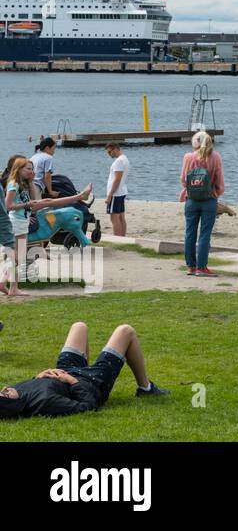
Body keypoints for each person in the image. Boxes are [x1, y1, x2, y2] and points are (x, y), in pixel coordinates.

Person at [0, 321, 168, 419]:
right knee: (126, 331)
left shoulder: (18, 392)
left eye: (2, 390)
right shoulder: (46, 402)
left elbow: (35, 388)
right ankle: (145, 388)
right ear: (12, 405)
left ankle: (82, 366)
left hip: (66, 370)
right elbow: (87, 406)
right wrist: (71, 381)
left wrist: (39, 377)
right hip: (92, 382)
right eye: (5, 394)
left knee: (79, 326)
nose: (6, 388)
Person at [2, 155, 93, 296]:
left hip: (23, 221)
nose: (31, 171)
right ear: (18, 169)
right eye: (28, 169)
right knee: (18, 257)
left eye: (32, 169)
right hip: (17, 224)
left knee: (48, 201)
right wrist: (26, 205)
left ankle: (6, 284)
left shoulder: (22, 184)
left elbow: (33, 200)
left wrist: (31, 183)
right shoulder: (13, 184)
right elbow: (8, 205)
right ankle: (10, 287)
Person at [180, 131, 225, 277]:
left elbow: (183, 180)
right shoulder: (215, 157)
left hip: (191, 200)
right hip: (209, 200)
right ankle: (202, 267)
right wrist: (216, 193)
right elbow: (219, 182)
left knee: (189, 233)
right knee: (205, 235)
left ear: (195, 142)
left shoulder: (188, 157)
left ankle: (191, 267)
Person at [104, 143, 130, 237]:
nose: (109, 154)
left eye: (109, 152)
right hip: (121, 191)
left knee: (114, 219)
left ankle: (118, 239)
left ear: (115, 149)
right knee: (121, 217)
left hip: (116, 193)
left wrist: (110, 195)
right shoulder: (125, 159)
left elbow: (117, 179)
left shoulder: (119, 161)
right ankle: (123, 238)